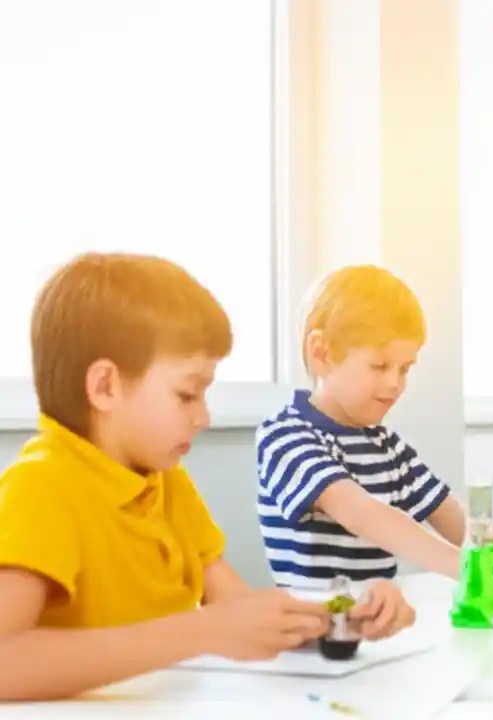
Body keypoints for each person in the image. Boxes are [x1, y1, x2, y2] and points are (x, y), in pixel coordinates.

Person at [0, 253, 331, 700]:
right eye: (187, 394)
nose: (204, 416)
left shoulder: (166, 480)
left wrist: (336, 618)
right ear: (105, 386)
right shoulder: (40, 488)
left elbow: (239, 613)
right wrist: (200, 631)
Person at [257, 265, 462, 611]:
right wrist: (464, 567)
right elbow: (360, 513)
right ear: (322, 354)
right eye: (379, 366)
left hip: (379, 624)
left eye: (404, 369)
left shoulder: (388, 447)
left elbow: (449, 513)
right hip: (314, 630)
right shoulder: (285, 437)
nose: (395, 383)